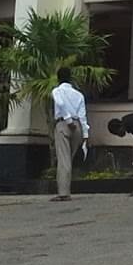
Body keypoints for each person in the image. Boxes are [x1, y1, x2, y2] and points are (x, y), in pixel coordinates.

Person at [49, 67, 87, 202]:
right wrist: (85, 134)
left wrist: (68, 119)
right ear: (70, 78)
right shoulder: (79, 94)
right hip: (78, 126)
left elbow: (60, 103)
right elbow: (83, 115)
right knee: (69, 159)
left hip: (63, 124)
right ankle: (66, 189)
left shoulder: (57, 91)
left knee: (63, 160)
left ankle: (64, 193)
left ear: (58, 78)